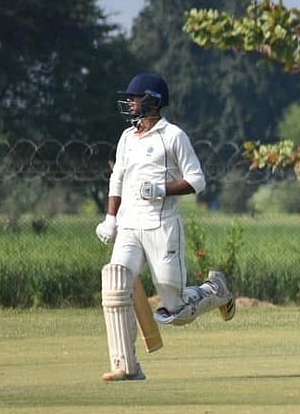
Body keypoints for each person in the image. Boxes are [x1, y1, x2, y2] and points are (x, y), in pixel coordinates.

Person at [95, 72, 235, 382]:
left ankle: (216, 290)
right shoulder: (126, 138)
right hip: (129, 226)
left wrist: (163, 189)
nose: (130, 102)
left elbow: (197, 180)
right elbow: (116, 179)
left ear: (153, 100)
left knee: (175, 310)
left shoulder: (173, 136)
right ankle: (126, 366)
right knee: (117, 283)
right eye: (129, 97)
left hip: (162, 226)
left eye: (135, 97)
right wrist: (110, 218)